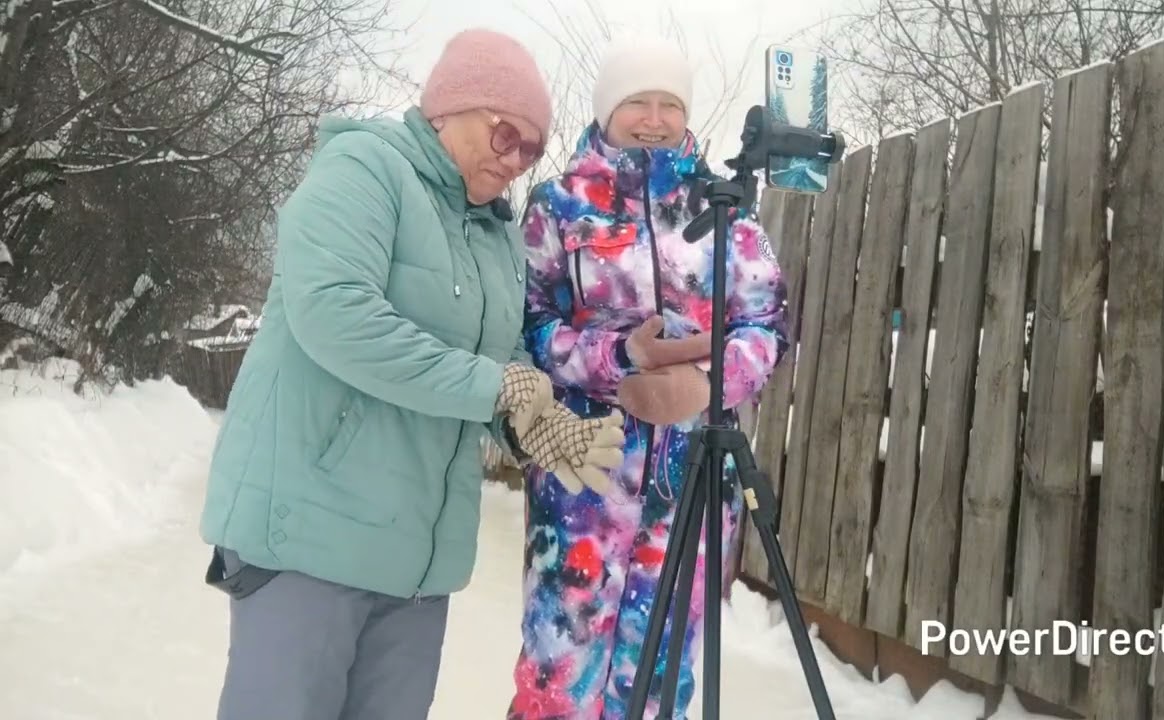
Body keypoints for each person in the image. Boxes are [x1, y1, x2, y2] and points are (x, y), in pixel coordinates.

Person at [197, 28, 623, 720]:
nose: (515, 160)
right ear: (450, 107)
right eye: (505, 134)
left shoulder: (495, 235)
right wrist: (496, 387)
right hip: (310, 538)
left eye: (533, 149)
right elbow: (334, 313)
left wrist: (529, 420)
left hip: (417, 564)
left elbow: (499, 355)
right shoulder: (364, 169)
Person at [508, 36, 791, 720]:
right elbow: (529, 325)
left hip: (691, 476)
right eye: (639, 102)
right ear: (609, 110)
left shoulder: (725, 210)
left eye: (670, 104)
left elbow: (769, 323)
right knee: (559, 664)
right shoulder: (557, 207)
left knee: (663, 667)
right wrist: (617, 362)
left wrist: (705, 384)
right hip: (585, 469)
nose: (656, 118)